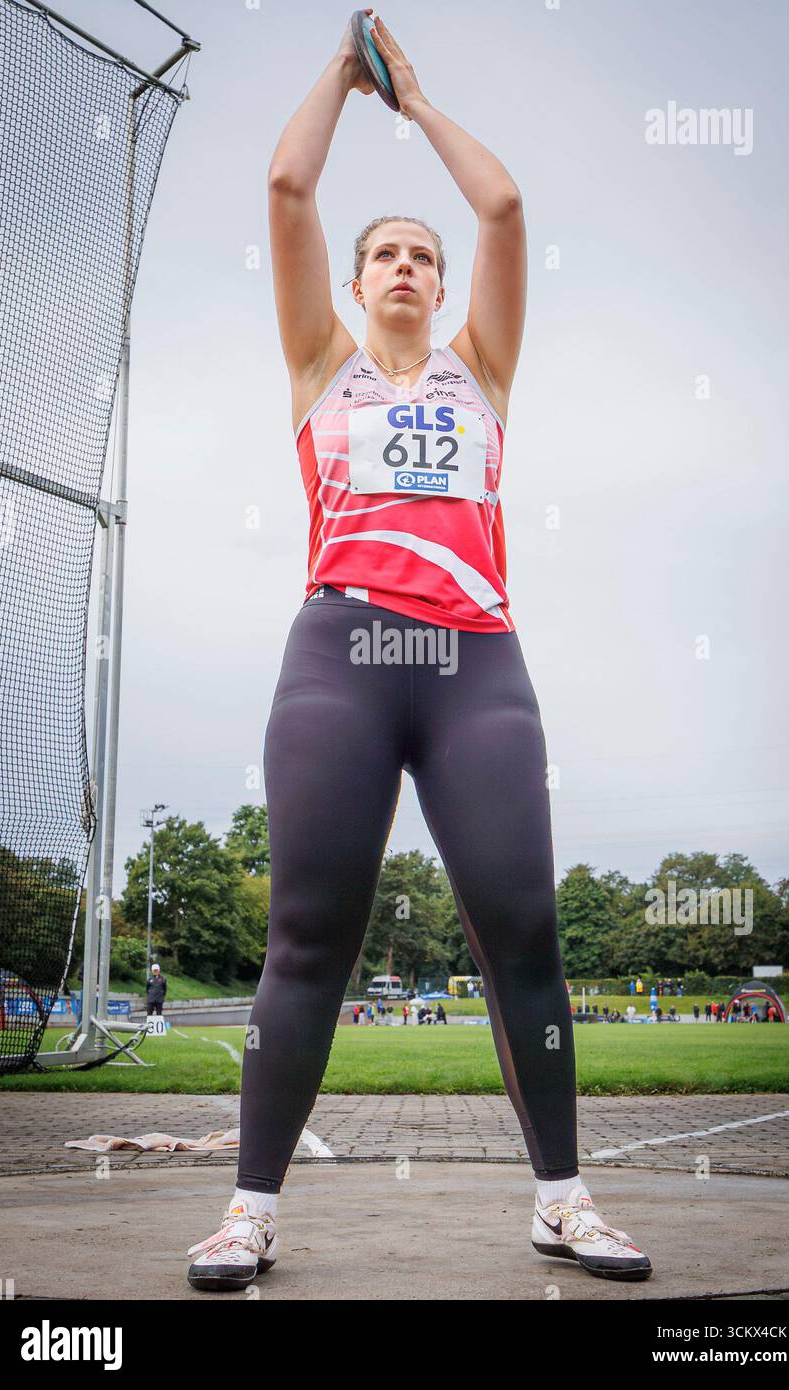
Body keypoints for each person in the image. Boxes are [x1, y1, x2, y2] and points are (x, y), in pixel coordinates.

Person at [187, 10, 651, 1292]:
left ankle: (561, 1198)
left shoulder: (480, 373)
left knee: (524, 929)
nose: (400, 263)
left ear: (441, 287)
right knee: (307, 938)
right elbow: (286, 183)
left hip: (476, 671)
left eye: (418, 256)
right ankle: (248, 1213)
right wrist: (344, 70)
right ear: (351, 281)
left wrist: (418, 104)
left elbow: (500, 206)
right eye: (381, 250)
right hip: (340, 657)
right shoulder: (319, 367)